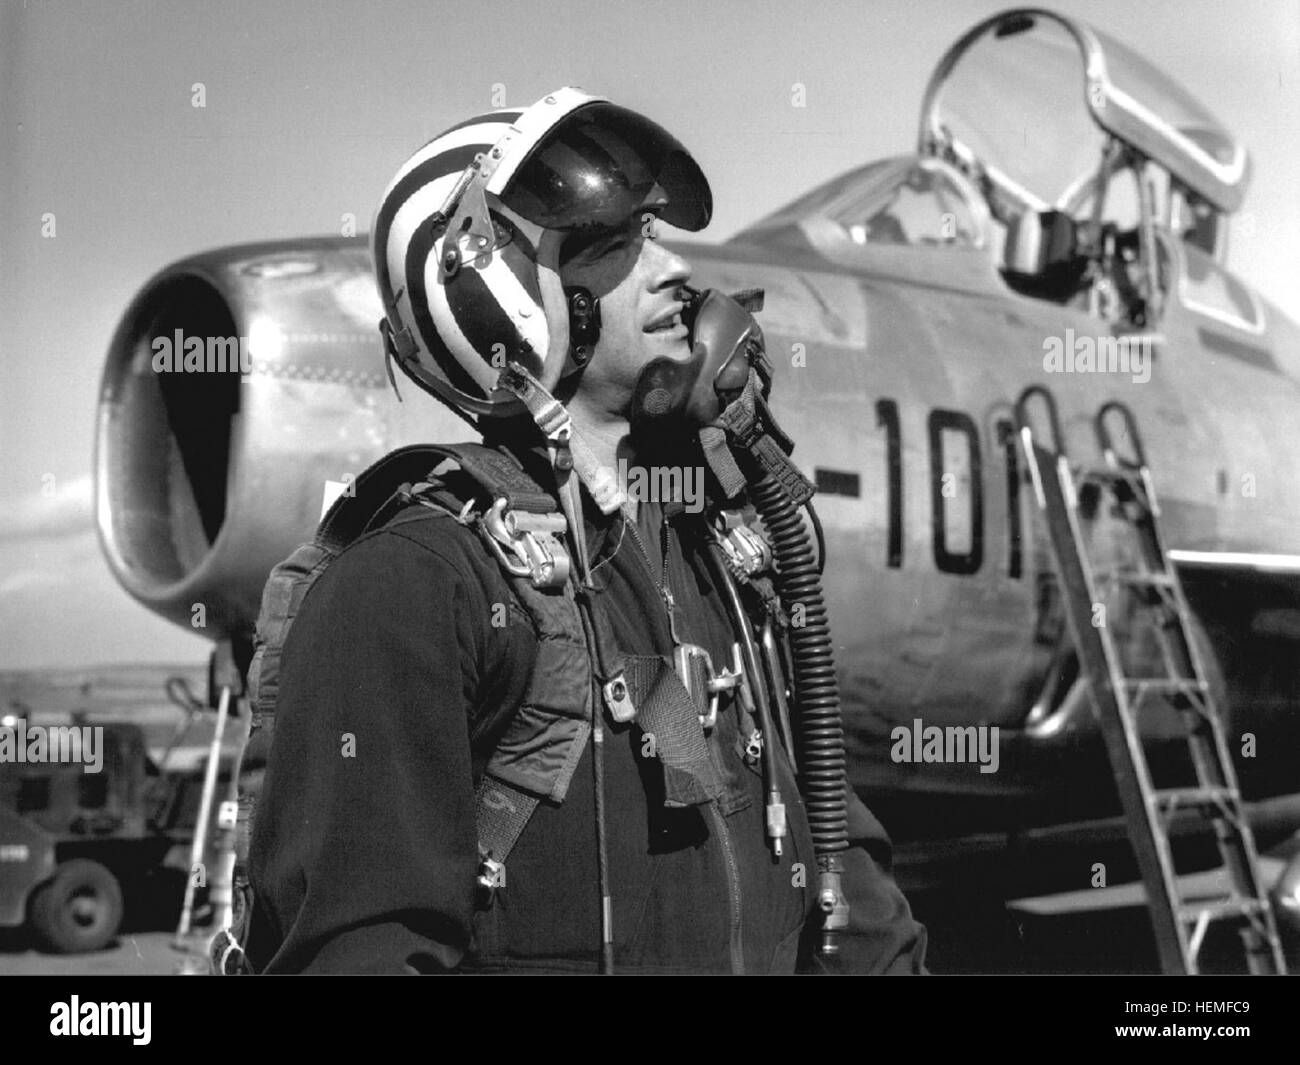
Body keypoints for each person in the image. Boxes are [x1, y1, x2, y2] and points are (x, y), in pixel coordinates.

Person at [246, 87, 927, 974]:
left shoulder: (714, 561)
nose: (677, 268)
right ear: (498, 305)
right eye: (615, 245)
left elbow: (831, 860)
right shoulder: (415, 582)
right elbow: (365, 950)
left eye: (655, 233)